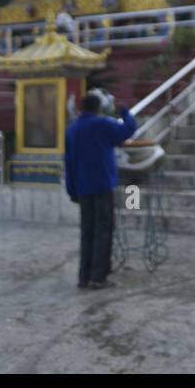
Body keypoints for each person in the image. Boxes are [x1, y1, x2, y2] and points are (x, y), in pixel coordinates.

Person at [64, 90, 136, 290]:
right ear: (97, 107)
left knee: (87, 232)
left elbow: (68, 163)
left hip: (83, 188)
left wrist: (72, 190)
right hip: (102, 185)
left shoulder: (72, 129)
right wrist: (124, 112)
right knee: (103, 231)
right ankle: (99, 277)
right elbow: (128, 130)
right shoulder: (102, 124)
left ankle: (83, 276)